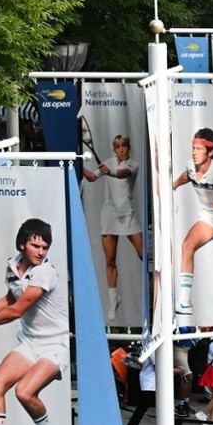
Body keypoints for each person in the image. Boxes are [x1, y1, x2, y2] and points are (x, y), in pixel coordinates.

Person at [0, 218, 69, 425]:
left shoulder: (45, 272)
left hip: (55, 345)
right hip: (30, 343)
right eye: (35, 246)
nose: (40, 252)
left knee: (24, 392)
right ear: (22, 244)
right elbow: (12, 296)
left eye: (44, 248)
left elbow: (17, 311)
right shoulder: (13, 266)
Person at [80, 133, 143, 322]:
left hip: (127, 215)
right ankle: (113, 301)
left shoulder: (133, 164)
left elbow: (123, 174)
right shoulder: (108, 162)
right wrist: (75, 163)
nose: (121, 149)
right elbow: (91, 177)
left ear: (128, 148)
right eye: (118, 147)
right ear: (114, 149)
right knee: (109, 261)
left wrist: (110, 172)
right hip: (108, 215)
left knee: (144, 255)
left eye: (124, 146)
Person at [172, 129, 213, 314]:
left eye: (198, 149)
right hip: (208, 218)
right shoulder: (190, 166)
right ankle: (185, 302)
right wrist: (173, 186)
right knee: (187, 246)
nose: (193, 152)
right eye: (193, 148)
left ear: (209, 152)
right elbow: (187, 176)